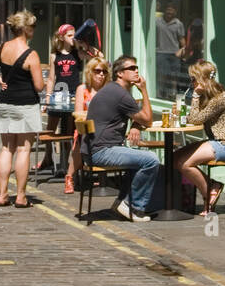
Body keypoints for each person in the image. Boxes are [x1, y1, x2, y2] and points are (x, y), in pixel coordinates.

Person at [0, 10, 44, 208]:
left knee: (6, 148)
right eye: (33, 28)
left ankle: (2, 194)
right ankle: (20, 197)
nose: (34, 31)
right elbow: (38, 86)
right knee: (23, 149)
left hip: (5, 102)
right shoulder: (31, 54)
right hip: (26, 104)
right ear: (27, 29)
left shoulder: (2, 48)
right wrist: (46, 82)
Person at [85, 55, 159, 221]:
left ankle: (121, 202)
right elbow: (147, 119)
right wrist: (144, 90)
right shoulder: (120, 94)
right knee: (151, 160)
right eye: (131, 68)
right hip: (101, 151)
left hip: (94, 149)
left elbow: (139, 119)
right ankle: (132, 206)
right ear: (119, 73)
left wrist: (134, 125)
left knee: (138, 160)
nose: (136, 71)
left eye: (136, 68)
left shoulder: (114, 90)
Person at [174, 60, 225, 214]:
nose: (191, 82)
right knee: (175, 158)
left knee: (185, 163)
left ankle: (209, 191)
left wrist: (195, 96)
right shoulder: (210, 96)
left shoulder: (220, 98)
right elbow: (195, 117)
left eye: (193, 79)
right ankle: (206, 187)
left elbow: (195, 119)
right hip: (218, 142)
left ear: (202, 80)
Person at [39, 24, 82, 189]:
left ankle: (69, 166)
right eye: (70, 35)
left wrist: (82, 44)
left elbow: (98, 55)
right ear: (62, 37)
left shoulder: (77, 53)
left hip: (73, 95)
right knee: (50, 128)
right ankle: (48, 157)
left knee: (70, 132)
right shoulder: (54, 55)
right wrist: (48, 97)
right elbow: (51, 78)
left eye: (74, 35)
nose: (72, 38)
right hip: (58, 94)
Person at [71, 56, 111, 195]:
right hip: (86, 126)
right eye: (97, 71)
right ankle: (70, 176)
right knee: (80, 138)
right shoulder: (82, 89)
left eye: (104, 71)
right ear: (90, 72)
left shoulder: (108, 90)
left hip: (104, 128)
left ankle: (102, 177)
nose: (101, 74)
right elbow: (77, 113)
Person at [155, 3, 185, 100]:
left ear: (175, 12)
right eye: (168, 9)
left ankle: (172, 94)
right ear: (165, 11)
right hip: (161, 52)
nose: (169, 12)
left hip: (174, 53)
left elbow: (181, 39)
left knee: (174, 76)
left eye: (172, 10)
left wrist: (183, 50)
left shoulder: (178, 24)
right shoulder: (157, 22)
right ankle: (160, 94)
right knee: (162, 74)